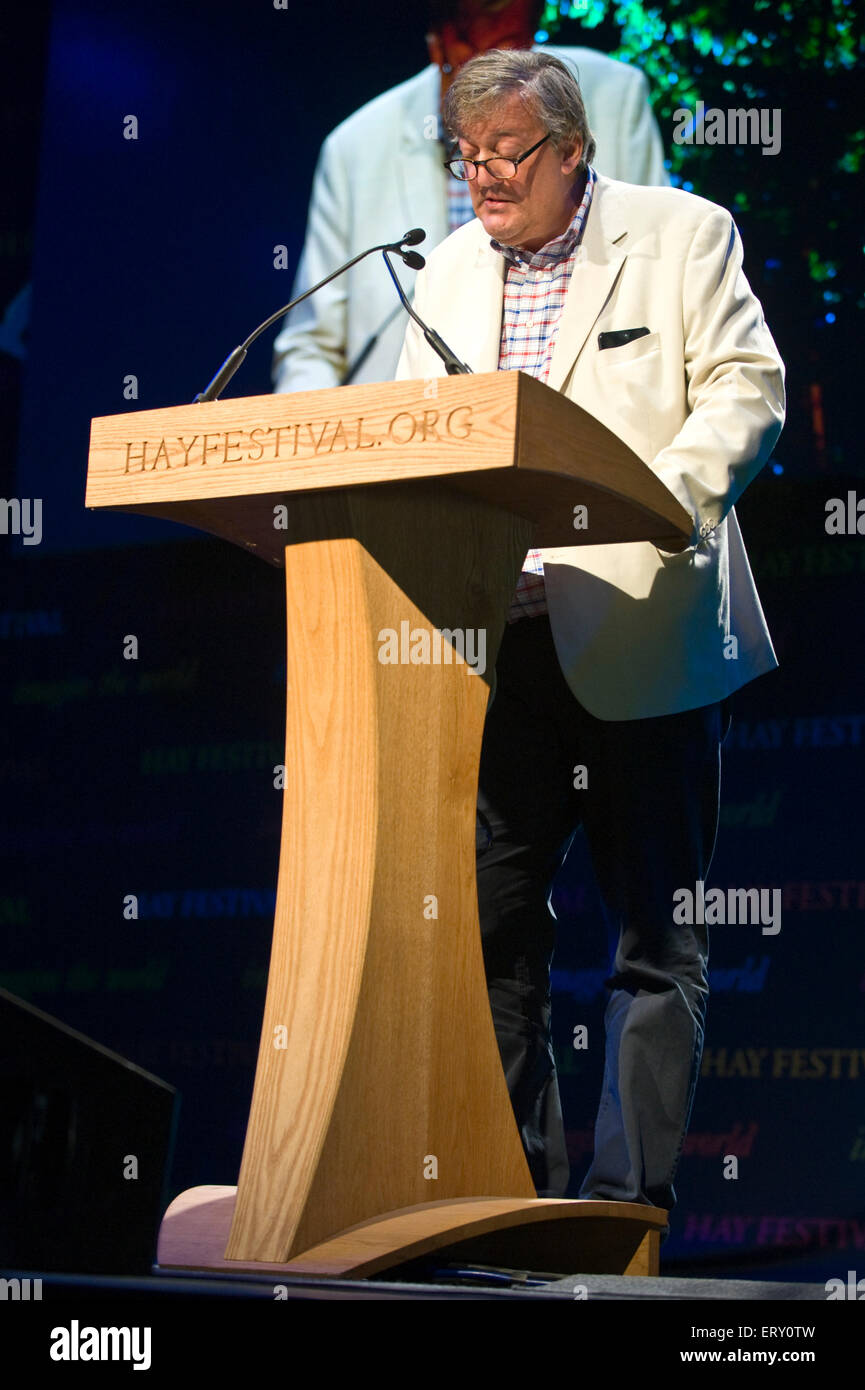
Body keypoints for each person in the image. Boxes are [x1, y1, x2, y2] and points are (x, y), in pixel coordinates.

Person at [396, 48, 785, 1217]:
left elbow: (745, 389)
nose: (486, 181)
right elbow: (415, 434)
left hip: (639, 629)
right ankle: (515, 1200)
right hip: (501, 651)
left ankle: (621, 1217)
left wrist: (652, 506)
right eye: (469, 159)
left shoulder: (681, 233)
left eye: (509, 155)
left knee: (653, 941)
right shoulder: (446, 270)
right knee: (487, 933)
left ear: (573, 151)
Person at [272, 0, 668, 394]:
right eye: (470, 51)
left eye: (510, 47)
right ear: (438, 44)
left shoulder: (615, 96)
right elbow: (311, 348)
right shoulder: (355, 148)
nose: (491, 76)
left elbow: (656, 270)